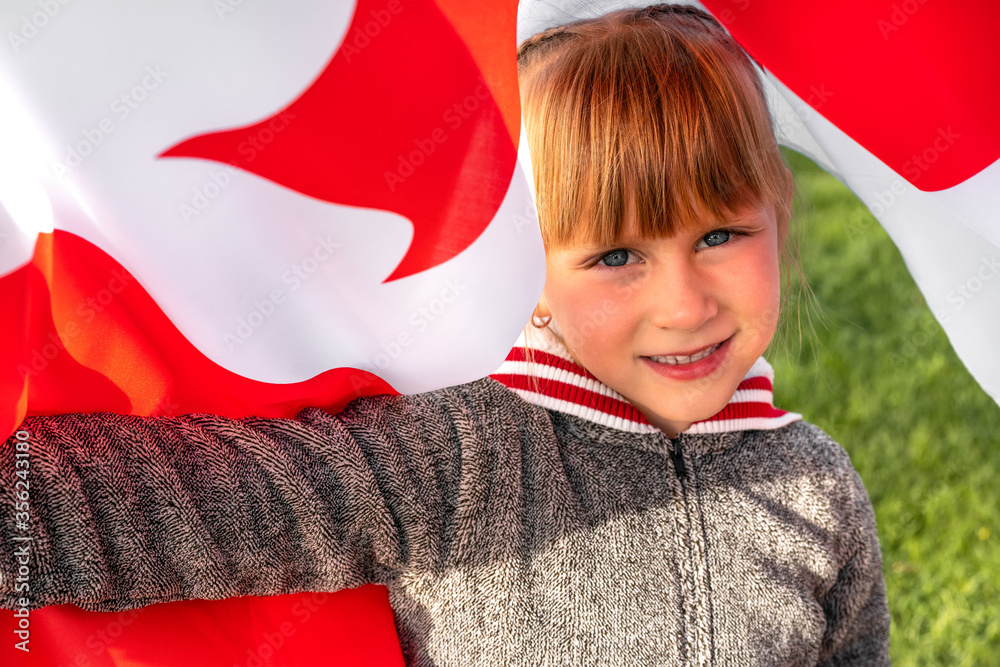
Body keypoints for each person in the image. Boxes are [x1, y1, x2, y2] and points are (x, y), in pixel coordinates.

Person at [1, 5, 890, 665]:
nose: (684, 303)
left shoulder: (815, 485)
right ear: (525, 269)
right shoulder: (467, 455)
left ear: (779, 213)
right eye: (617, 255)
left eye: (720, 236)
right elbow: (189, 511)